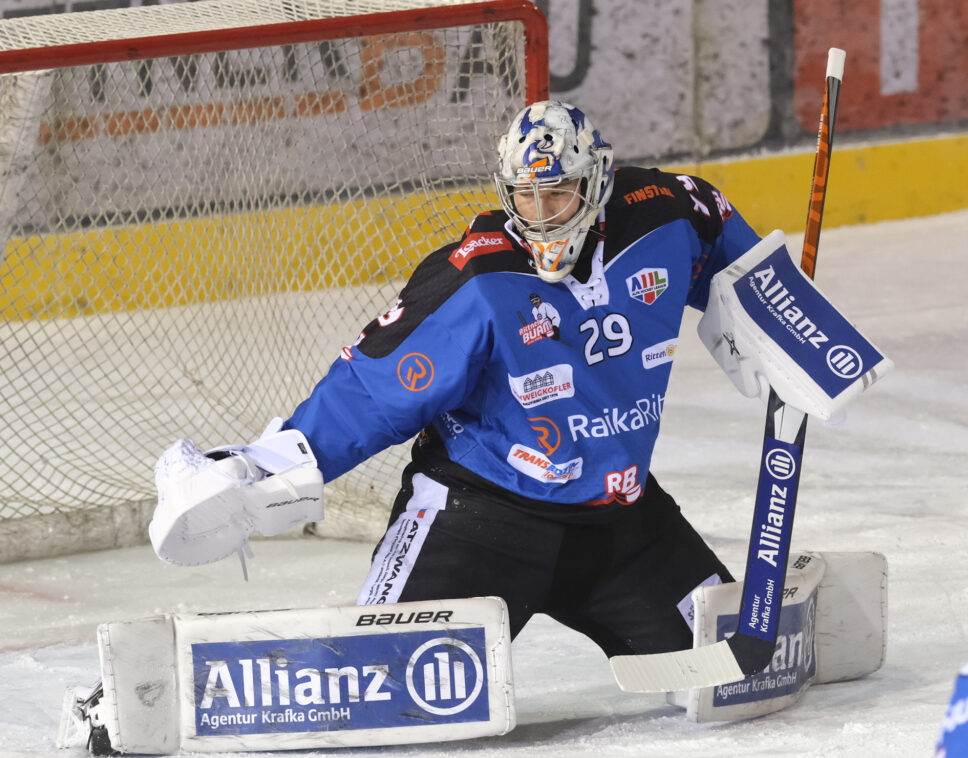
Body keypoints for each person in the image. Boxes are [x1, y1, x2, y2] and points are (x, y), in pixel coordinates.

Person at [152, 100, 764, 658]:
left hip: (620, 525)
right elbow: (369, 390)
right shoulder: (477, 279)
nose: (543, 215)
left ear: (595, 180)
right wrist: (261, 465)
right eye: (525, 196)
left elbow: (725, 242)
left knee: (730, 662)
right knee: (382, 680)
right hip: (482, 520)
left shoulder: (667, 214)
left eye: (559, 193)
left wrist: (791, 328)